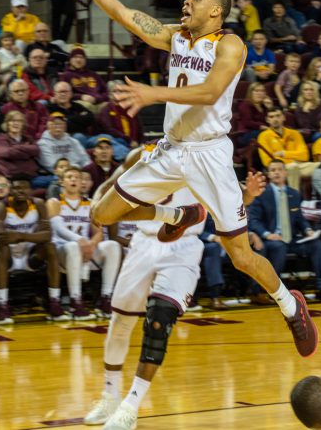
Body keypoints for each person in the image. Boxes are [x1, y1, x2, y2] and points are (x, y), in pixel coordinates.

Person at [62, 0, 318, 357]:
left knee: (240, 255)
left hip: (210, 154)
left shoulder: (230, 44)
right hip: (171, 148)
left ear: (216, 10)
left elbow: (211, 92)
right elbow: (125, 14)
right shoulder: (175, 37)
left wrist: (153, 94)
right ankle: (177, 216)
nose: (187, 1)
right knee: (101, 214)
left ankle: (290, 304)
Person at [83, 155, 265, 430]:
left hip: (184, 246)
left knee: (159, 321)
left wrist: (248, 195)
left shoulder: (209, 157)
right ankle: (110, 395)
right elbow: (109, 185)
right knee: (121, 322)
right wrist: (98, 204)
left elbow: (232, 196)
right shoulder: (142, 153)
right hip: (144, 243)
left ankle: (130, 405)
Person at [47, 166, 122, 320]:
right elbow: (58, 229)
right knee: (74, 246)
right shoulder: (54, 202)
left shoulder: (90, 204)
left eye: (77, 177)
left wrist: (91, 245)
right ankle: (76, 302)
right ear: (62, 182)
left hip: (85, 251)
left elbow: (99, 232)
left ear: (82, 182)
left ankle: (106, 298)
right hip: (62, 252)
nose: (73, 179)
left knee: (113, 246)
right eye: (69, 177)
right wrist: (81, 241)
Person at [248, 161, 321, 301]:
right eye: (273, 170)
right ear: (268, 174)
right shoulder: (261, 194)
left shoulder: (294, 194)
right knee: (279, 247)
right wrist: (268, 234)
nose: (277, 172)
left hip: (291, 239)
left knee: (317, 244)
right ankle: (271, 290)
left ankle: (320, 287)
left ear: (285, 173)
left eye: (280, 169)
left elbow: (299, 218)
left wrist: (308, 230)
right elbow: (254, 220)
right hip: (271, 239)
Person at [0, 179, 68, 323]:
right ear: (11, 191)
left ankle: (54, 302)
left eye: (25, 188)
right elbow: (0, 238)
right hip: (6, 257)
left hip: (30, 254)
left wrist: (20, 235)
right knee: (3, 249)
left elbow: (47, 235)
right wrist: (33, 236)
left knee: (50, 246)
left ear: (30, 191)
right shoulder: (1, 206)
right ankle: (2, 305)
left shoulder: (38, 204)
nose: (21, 191)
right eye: (17, 188)